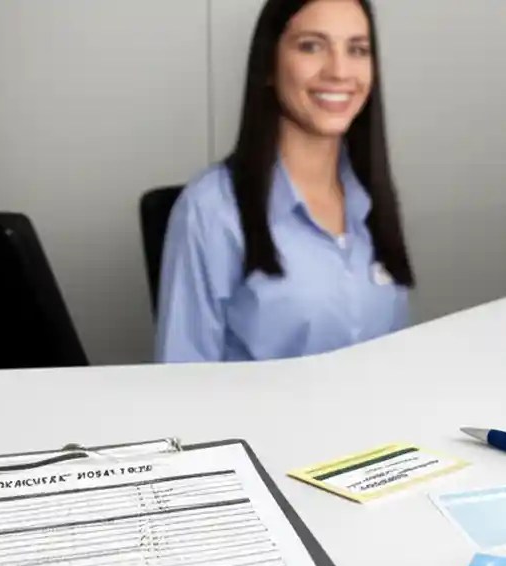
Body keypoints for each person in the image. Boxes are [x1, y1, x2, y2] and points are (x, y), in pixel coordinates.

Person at [155, 0, 414, 362]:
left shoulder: (370, 197)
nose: (340, 71)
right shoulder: (211, 210)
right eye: (312, 46)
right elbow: (181, 382)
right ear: (269, 67)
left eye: (357, 49)